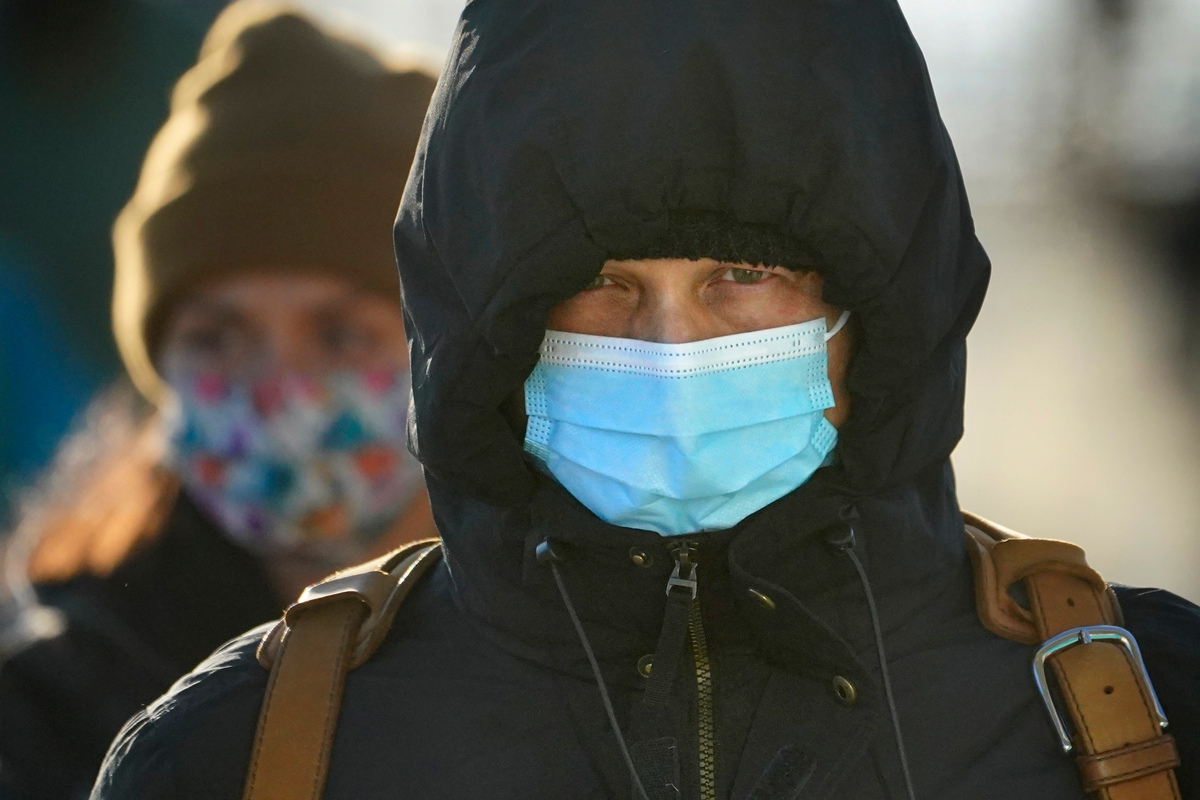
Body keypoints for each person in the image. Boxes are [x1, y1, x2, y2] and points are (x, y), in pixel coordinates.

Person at [92, 0, 1200, 798]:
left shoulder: (1144, 713)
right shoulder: (247, 752)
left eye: (742, 277)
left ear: (878, 312)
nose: (671, 352)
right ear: (491, 325)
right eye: (599, 283)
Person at [0, 4, 438, 798]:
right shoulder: (54, 703)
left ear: (448, 349)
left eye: (339, 334)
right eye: (216, 337)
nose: (276, 391)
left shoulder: (576, 649)